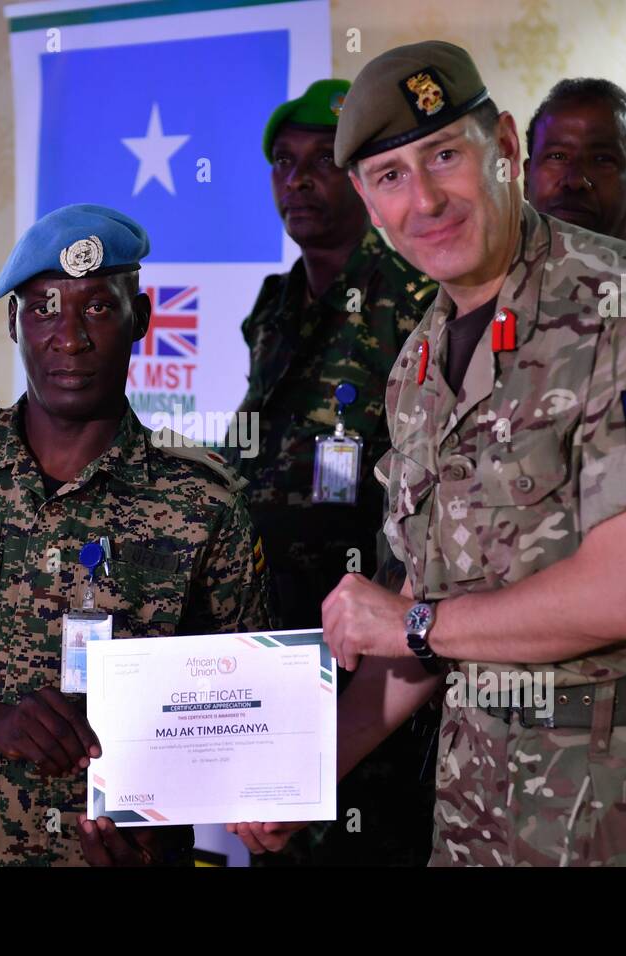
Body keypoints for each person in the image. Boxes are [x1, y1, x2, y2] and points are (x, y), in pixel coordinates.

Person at [232, 41, 626, 867]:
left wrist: (412, 623)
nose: (425, 200)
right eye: (390, 177)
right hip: (476, 807)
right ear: (368, 202)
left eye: (445, 156)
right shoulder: (417, 365)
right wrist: (306, 771)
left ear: (507, 150)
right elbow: (427, 612)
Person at [0, 203, 271, 866]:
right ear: (13, 323)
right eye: (42, 308)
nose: (70, 338)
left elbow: (245, 716)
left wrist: (158, 824)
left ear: (141, 320)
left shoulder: (204, 500)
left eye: (97, 308)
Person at [235, 78, 440, 866]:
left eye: (321, 161)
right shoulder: (275, 305)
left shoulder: (415, 297)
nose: (298, 181)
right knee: (277, 839)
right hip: (279, 626)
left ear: (360, 178)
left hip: (378, 635)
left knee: (369, 836)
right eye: (283, 164)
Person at [523, 77, 626, 241]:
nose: (575, 181)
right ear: (527, 179)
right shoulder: (491, 266)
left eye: (602, 159)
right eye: (557, 156)